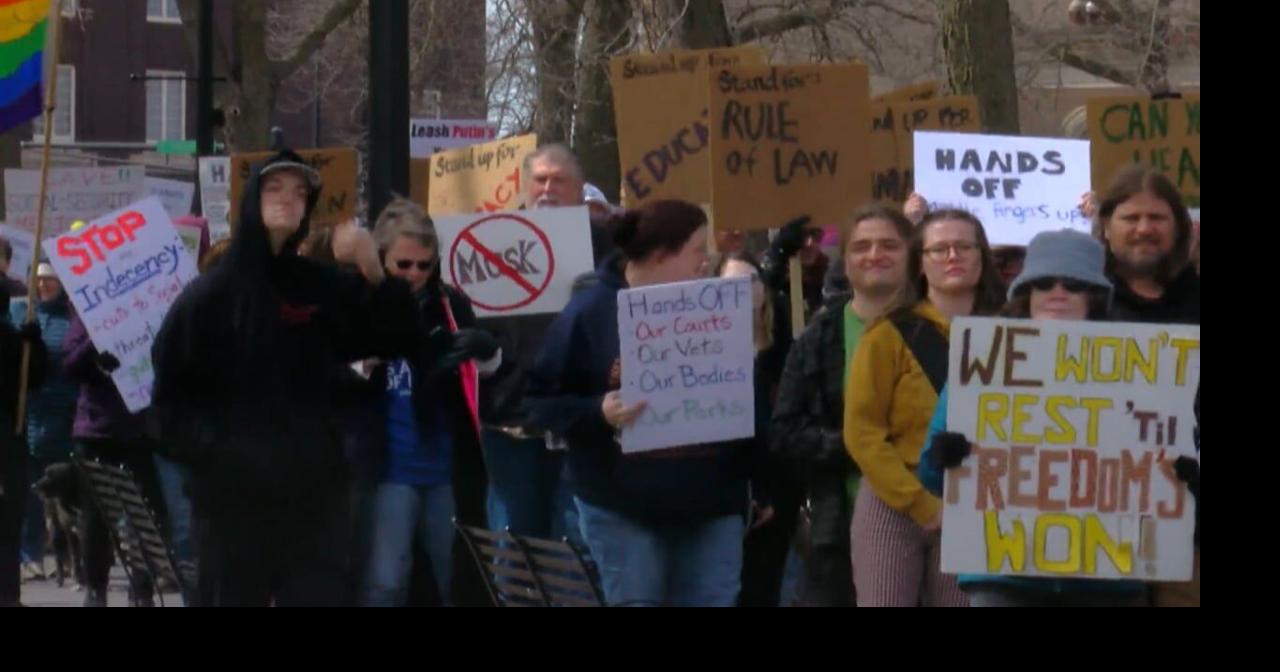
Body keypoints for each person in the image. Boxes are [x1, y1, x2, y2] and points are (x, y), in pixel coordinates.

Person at [151, 148, 423, 606]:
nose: (287, 199)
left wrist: (374, 270)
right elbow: (168, 393)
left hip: (313, 498)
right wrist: (215, 454)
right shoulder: (212, 294)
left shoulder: (317, 284)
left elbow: (398, 338)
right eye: (274, 188)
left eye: (300, 192)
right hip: (232, 504)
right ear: (252, 199)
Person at [526, 200, 762, 606]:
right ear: (660, 255)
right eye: (697, 249)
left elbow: (748, 399)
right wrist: (597, 412)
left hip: (713, 505)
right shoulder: (589, 312)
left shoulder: (718, 307)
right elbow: (538, 402)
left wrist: (764, 479)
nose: (707, 260)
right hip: (622, 508)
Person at [919, 229, 1147, 607]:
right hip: (1004, 575)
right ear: (1027, 295)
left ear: (1094, 297)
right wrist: (947, 456)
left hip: (1105, 578)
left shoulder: (1143, 368)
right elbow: (930, 474)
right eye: (1043, 283)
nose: (1058, 292)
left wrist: (1181, 472)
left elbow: (1173, 457)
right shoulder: (984, 363)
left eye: (1073, 284)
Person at [843, 209, 1004, 607]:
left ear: (981, 256)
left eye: (964, 246)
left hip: (973, 498)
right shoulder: (886, 334)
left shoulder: (1012, 334)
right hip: (893, 499)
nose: (953, 256)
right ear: (920, 262)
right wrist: (920, 503)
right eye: (939, 249)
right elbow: (862, 433)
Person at [771, 203, 913, 607]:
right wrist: (860, 447)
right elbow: (784, 432)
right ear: (846, 262)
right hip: (841, 528)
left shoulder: (938, 330)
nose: (875, 255)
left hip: (931, 523)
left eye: (889, 244)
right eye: (862, 246)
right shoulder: (818, 338)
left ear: (911, 254)